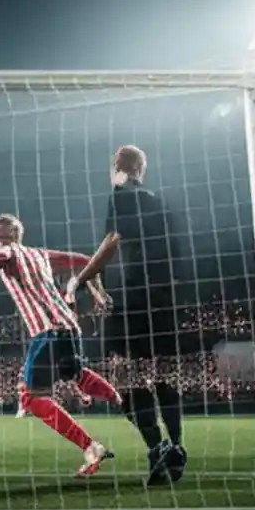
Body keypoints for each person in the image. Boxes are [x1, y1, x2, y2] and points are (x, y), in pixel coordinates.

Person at [0, 213, 121, 477]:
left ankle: (90, 446)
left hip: (48, 330)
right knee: (75, 375)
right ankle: (123, 401)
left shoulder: (7, 253)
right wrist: (99, 292)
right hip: (69, 328)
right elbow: (86, 261)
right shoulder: (40, 254)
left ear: (3, 237)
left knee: (31, 397)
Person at [69, 144, 188, 485]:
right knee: (164, 372)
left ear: (116, 166)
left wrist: (83, 278)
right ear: (143, 168)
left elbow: (111, 241)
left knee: (125, 376)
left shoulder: (120, 194)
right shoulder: (160, 202)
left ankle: (157, 447)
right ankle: (177, 445)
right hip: (165, 296)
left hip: (135, 293)